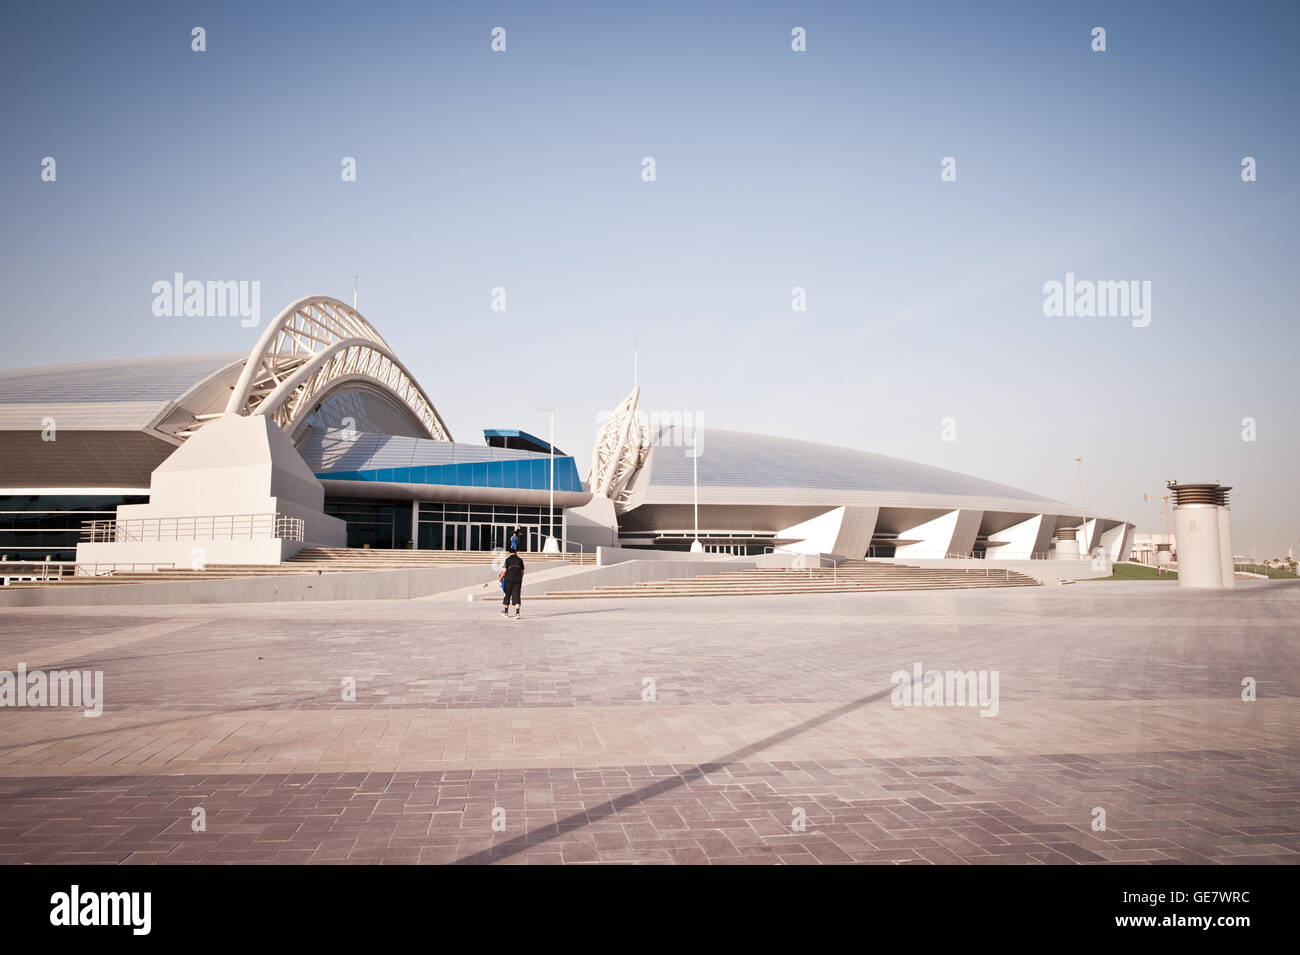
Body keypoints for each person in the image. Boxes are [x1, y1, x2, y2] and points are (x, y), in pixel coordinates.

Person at [499, 547, 525, 618]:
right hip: (518, 580)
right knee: (517, 595)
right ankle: (517, 613)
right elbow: (522, 571)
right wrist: (520, 579)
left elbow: (504, 571)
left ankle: (506, 612)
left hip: (509, 580)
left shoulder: (507, 560)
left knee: (507, 595)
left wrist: (500, 578)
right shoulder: (520, 560)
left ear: (509, 553)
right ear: (516, 553)